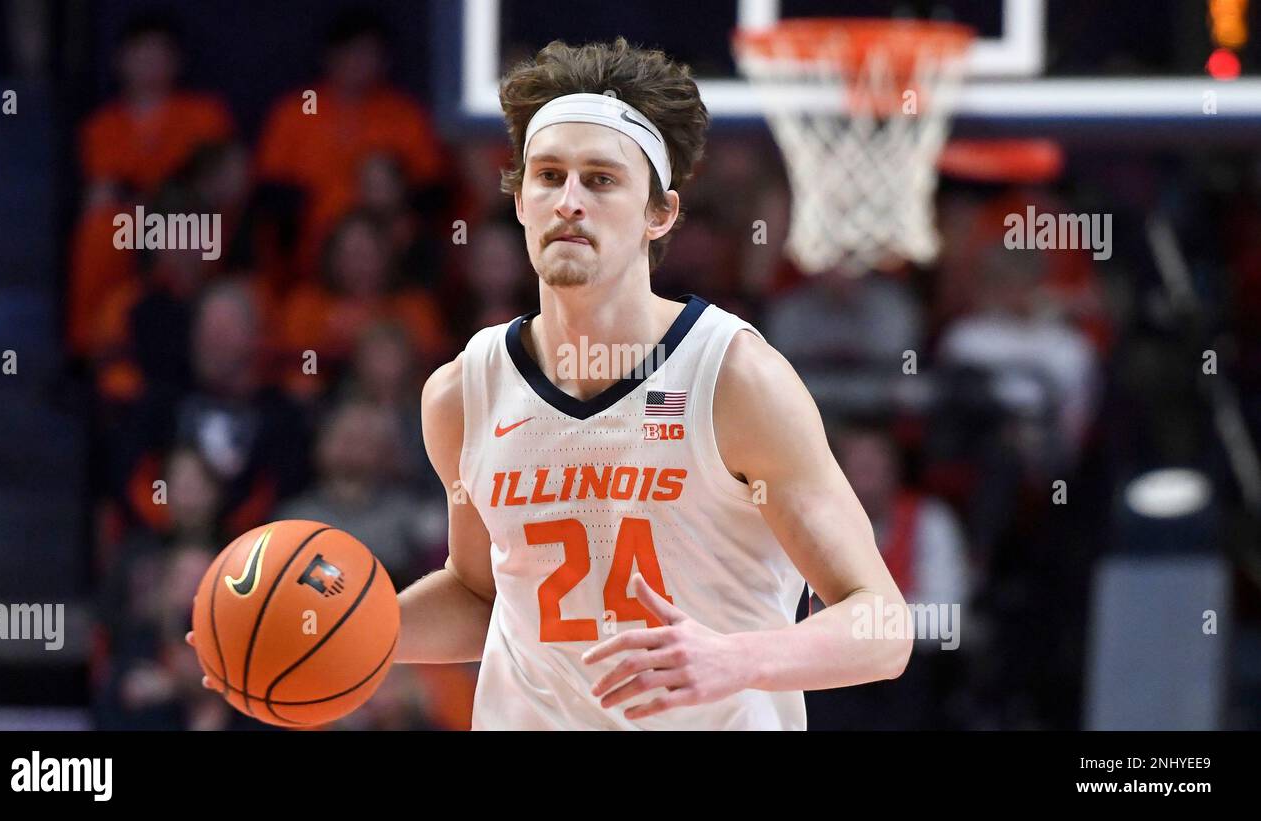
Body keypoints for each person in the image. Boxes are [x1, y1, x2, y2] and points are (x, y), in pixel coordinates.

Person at [195, 38, 911, 730]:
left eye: (601, 179)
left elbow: (883, 625)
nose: (570, 200)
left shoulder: (734, 377)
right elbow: (483, 593)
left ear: (660, 213)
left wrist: (738, 657)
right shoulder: (461, 391)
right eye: (548, 175)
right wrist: (306, 630)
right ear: (520, 201)